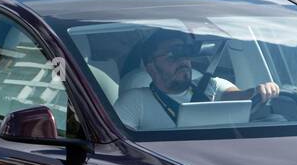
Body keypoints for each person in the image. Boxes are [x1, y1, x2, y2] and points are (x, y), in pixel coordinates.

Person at [113, 29, 280, 130]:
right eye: (173, 55)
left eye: (185, 53)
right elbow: (118, 145)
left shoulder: (211, 86)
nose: (183, 60)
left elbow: (239, 97)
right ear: (151, 66)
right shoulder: (135, 101)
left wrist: (259, 91)